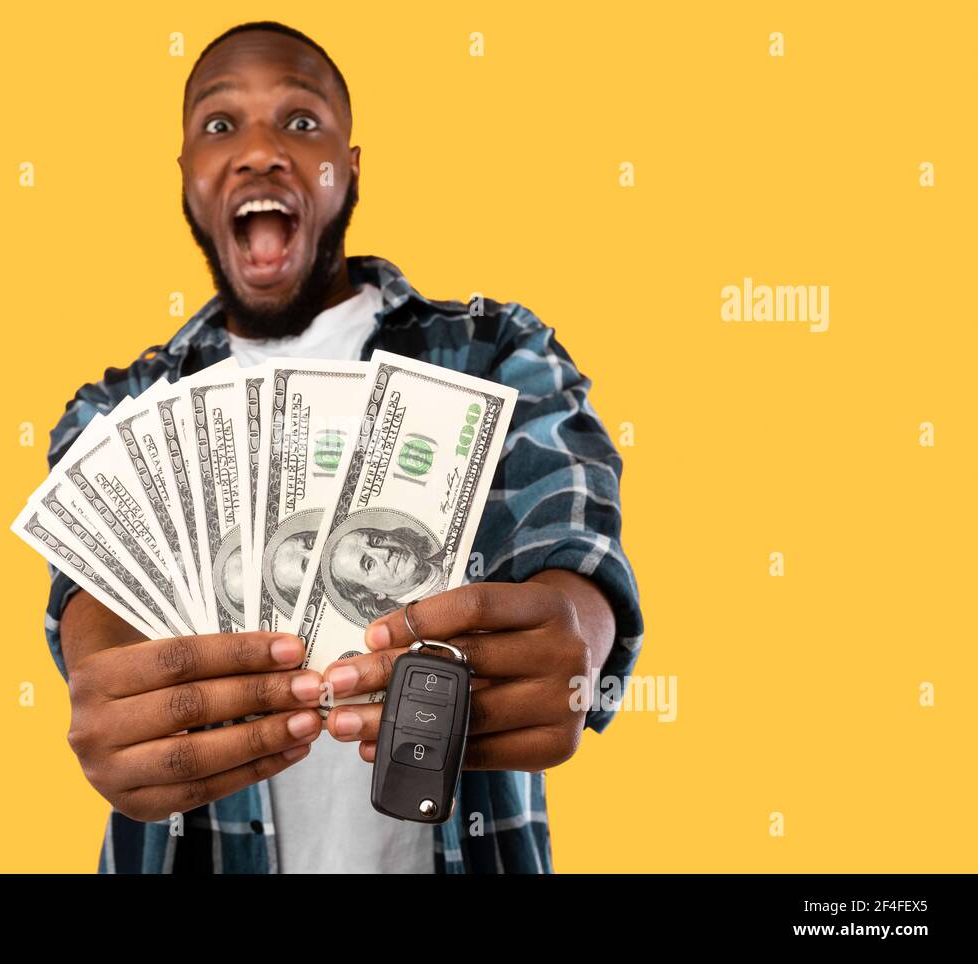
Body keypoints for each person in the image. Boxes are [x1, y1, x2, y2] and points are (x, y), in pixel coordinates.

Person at [45, 20, 644, 873]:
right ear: (187, 175)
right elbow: (95, 602)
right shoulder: (118, 410)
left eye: (300, 121)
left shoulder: (499, 353)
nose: (260, 151)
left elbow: (572, 541)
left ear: (349, 168)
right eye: (220, 125)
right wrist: (107, 684)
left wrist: (576, 637)